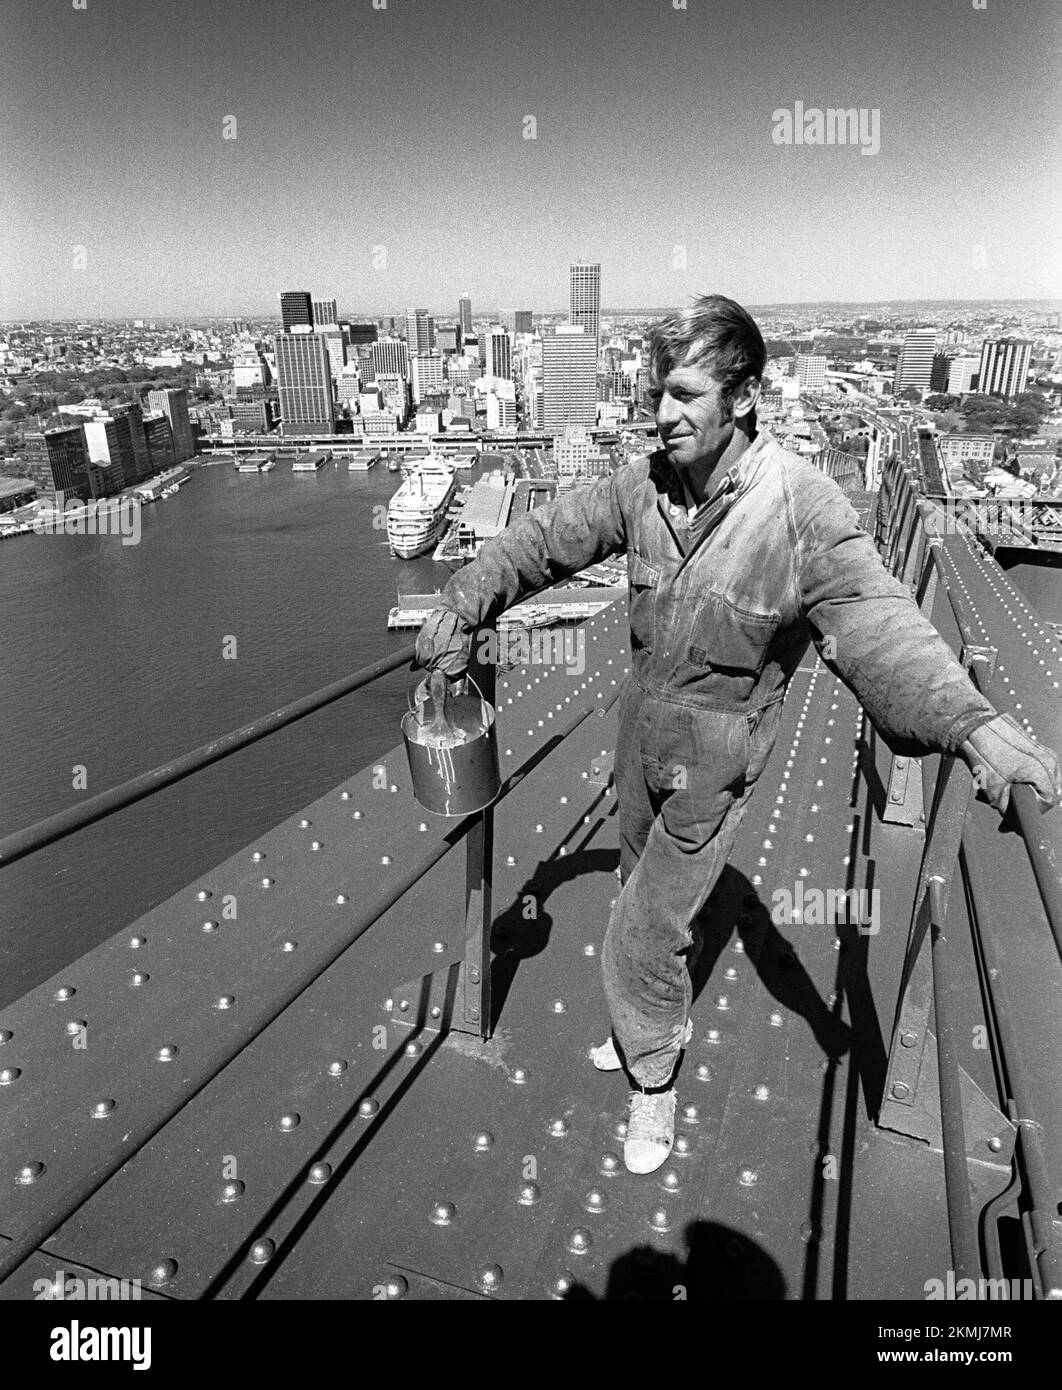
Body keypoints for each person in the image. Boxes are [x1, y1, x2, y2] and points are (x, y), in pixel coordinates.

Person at [414, 293, 1061, 1175]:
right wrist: (463, 599)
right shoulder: (642, 487)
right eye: (657, 394)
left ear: (744, 396)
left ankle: (653, 1082)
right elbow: (542, 542)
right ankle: (649, 1014)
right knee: (637, 876)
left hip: (718, 754)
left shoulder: (800, 511)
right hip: (640, 727)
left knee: (645, 925)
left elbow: (878, 626)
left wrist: (971, 724)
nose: (662, 415)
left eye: (684, 395)